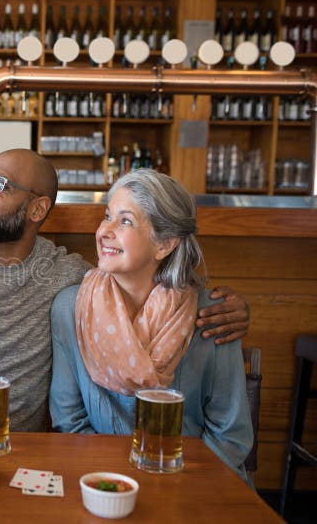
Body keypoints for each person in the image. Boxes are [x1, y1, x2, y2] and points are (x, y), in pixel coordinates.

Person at [0, 150, 250, 431]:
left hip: (11, 452)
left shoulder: (72, 279)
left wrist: (230, 307)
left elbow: (142, 279)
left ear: (38, 210)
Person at [50, 170, 253, 482]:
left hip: (195, 484)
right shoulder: (69, 308)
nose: (105, 230)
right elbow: (70, 422)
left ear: (165, 244)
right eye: (107, 216)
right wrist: (122, 482)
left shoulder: (213, 314)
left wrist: (175, 485)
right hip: (103, 480)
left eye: (125, 220)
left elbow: (231, 436)